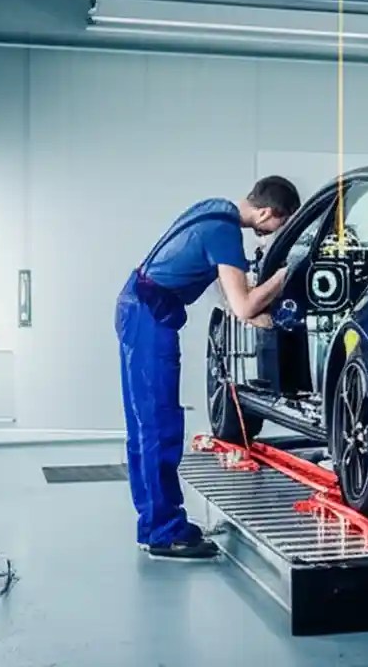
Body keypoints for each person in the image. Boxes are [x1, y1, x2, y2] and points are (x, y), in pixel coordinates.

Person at [116, 176, 301, 560]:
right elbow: (244, 306)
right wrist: (287, 274)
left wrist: (254, 309)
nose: (270, 236)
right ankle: (165, 532)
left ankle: (154, 523)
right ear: (266, 213)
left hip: (136, 305)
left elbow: (228, 290)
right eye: (278, 228)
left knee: (143, 426)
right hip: (149, 316)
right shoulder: (226, 232)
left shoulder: (214, 209)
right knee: (160, 425)